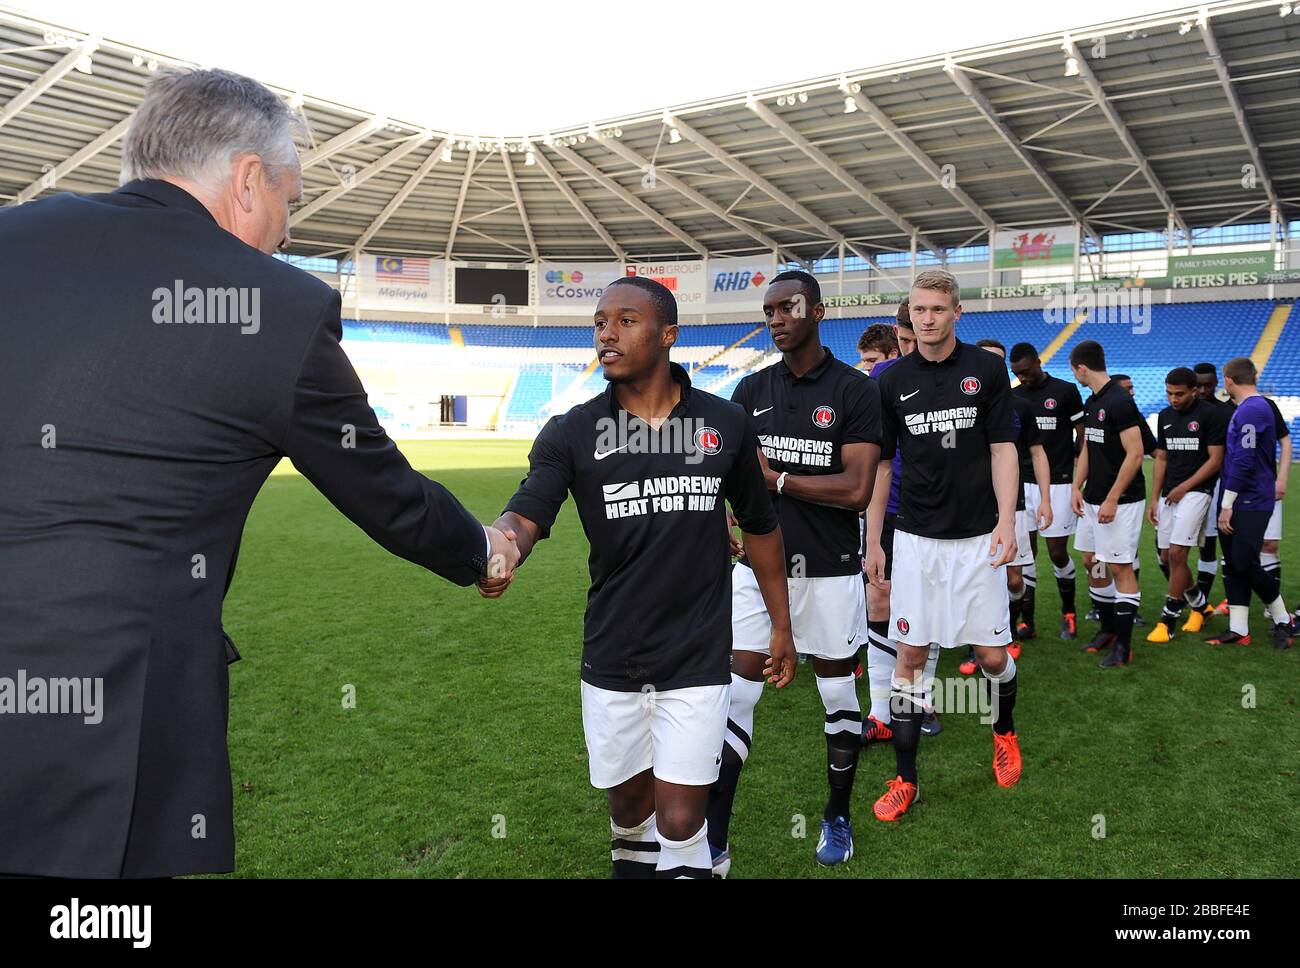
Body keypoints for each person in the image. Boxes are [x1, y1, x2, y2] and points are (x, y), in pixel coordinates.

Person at [0, 68, 516, 879]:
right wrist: (480, 547)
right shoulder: (272, 306)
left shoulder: (15, 237)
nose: (284, 232)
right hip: (98, 726)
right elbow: (387, 493)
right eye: (291, 202)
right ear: (248, 180)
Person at [481, 275, 797, 878]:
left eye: (626, 321)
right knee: (629, 809)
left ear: (668, 335)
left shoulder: (725, 424)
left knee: (680, 820)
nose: (607, 333)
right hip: (615, 653)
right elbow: (528, 511)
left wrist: (781, 625)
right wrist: (502, 547)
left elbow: (759, 526)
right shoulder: (572, 432)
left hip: (698, 653)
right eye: (601, 322)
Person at [708, 270, 882, 872]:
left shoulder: (856, 391)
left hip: (831, 572)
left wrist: (776, 478)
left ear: (819, 310)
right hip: (758, 572)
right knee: (732, 698)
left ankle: (837, 815)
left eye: (788, 307)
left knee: (836, 695)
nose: (776, 317)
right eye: (768, 310)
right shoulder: (750, 390)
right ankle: (714, 838)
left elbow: (857, 489)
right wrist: (726, 516)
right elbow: (725, 474)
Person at [867, 269, 1022, 822]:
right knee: (909, 657)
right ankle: (905, 779)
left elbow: (1004, 449)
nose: (925, 319)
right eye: (917, 310)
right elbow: (883, 465)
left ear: (957, 313)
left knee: (990, 657)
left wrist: (1007, 522)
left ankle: (1003, 730)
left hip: (979, 538)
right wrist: (875, 538)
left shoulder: (986, 369)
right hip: (916, 542)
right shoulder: (889, 380)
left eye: (936, 309)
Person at [1203, 359, 1293, 649]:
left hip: (1250, 499)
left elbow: (1244, 459)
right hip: (1242, 497)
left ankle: (1283, 619)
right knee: (1234, 563)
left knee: (1244, 561)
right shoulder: (1253, 407)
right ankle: (1238, 629)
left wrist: (1227, 503)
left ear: (1229, 381)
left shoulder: (1252, 409)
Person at [974, 339, 1053, 668]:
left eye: (998, 361)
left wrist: (1045, 499)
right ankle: (976, 643)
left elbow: (1036, 452)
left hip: (1013, 505)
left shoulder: (1019, 405)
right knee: (978, 577)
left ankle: (1013, 628)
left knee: (1013, 579)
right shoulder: (962, 405)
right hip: (974, 507)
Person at [1069, 341, 1147, 668]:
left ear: (1082, 368)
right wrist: (1077, 485)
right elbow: (1088, 448)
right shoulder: (1093, 401)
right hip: (1092, 498)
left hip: (1121, 500)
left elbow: (1136, 452)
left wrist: (1113, 497)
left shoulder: (1119, 401)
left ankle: (1124, 647)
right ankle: (1108, 629)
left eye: (1075, 370)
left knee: (1120, 567)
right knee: (1091, 560)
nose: (1075, 375)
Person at [1009, 342, 1085, 640]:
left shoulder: (1065, 391)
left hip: (1059, 482)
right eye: (1017, 373)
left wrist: (1076, 476)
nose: (1023, 378)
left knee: (1057, 553)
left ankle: (1069, 613)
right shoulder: (1013, 396)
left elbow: (1083, 436)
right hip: (1020, 485)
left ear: (1039, 363)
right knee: (1026, 556)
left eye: (1027, 371)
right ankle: (1027, 620)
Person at [1146, 368, 1226, 642]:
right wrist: (1154, 497)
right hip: (1170, 493)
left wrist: (1185, 487)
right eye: (1169, 393)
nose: (1173, 399)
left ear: (1194, 391)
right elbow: (1162, 459)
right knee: (1166, 556)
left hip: (1197, 491)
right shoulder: (1166, 417)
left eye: (1179, 394)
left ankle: (1167, 618)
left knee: (1179, 554)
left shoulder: (1210, 415)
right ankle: (1200, 605)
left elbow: (1215, 460)